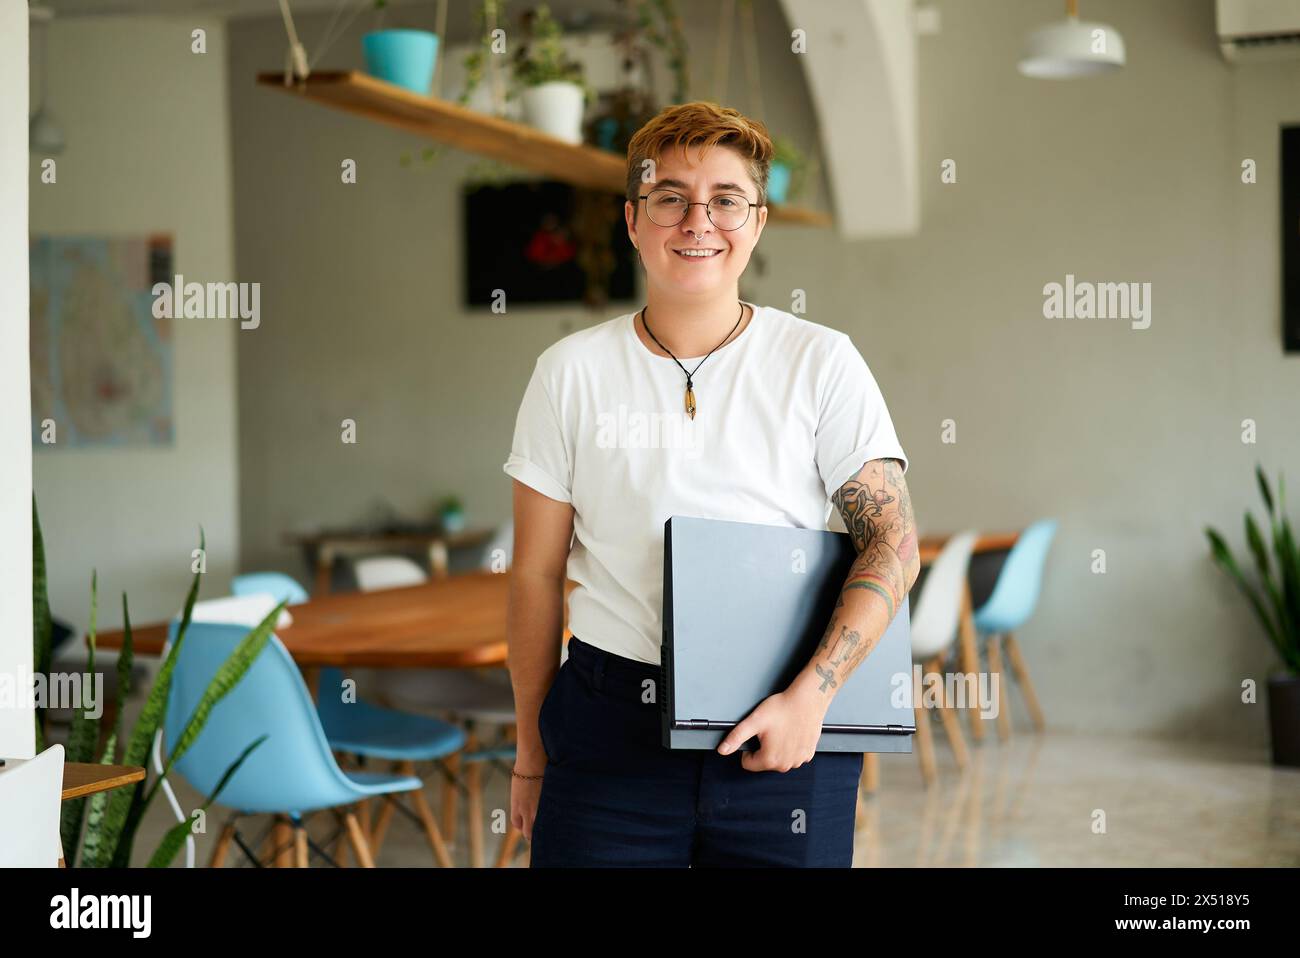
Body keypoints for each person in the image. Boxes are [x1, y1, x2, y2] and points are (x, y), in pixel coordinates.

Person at [502, 101, 918, 867]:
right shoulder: (569, 373)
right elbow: (532, 574)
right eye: (671, 198)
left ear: (756, 223)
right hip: (607, 734)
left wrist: (812, 699)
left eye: (726, 199)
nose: (699, 221)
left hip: (787, 727)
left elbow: (893, 542)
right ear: (634, 221)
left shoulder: (821, 361)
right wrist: (530, 750)